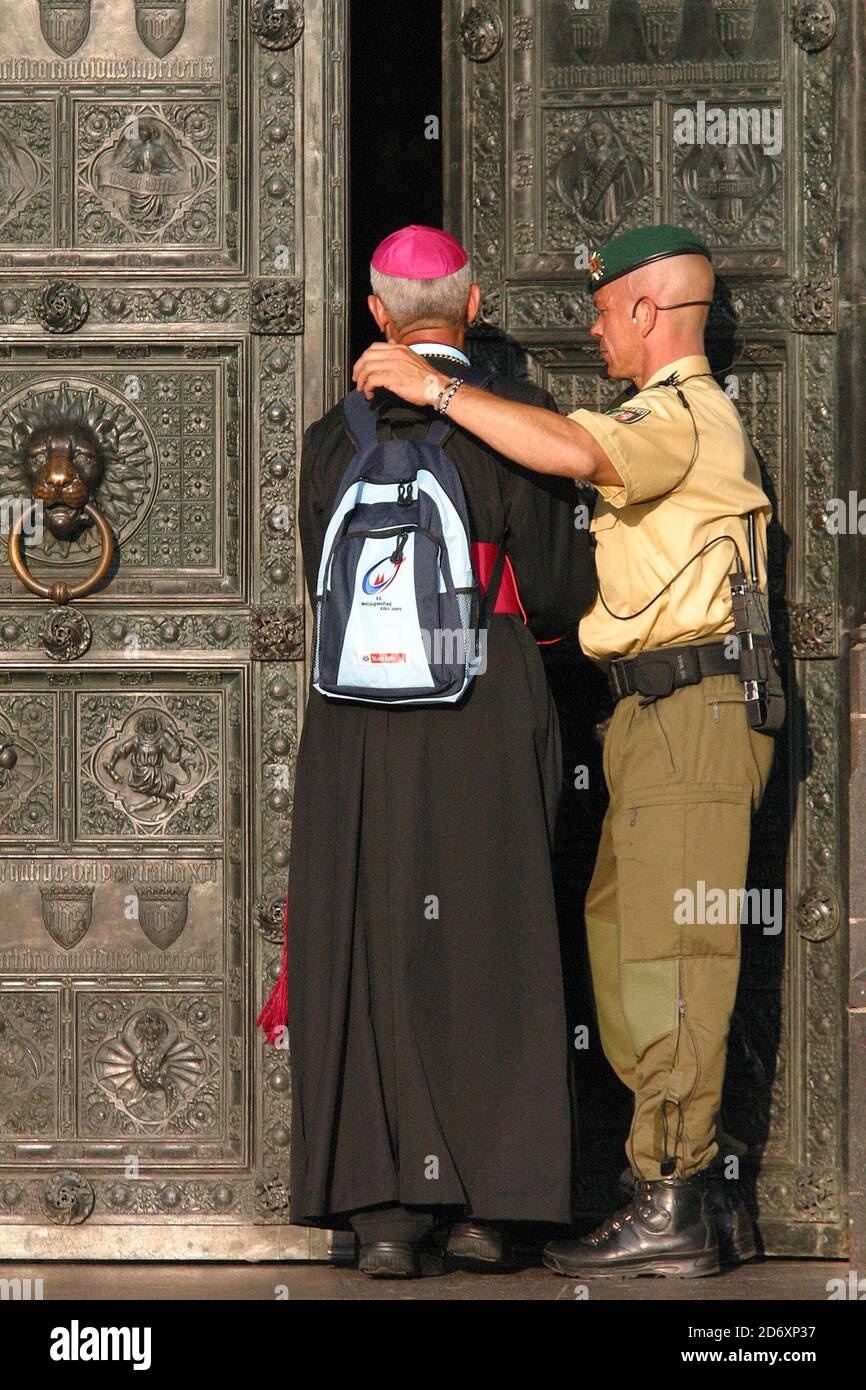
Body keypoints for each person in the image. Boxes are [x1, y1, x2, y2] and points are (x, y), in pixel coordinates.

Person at [353, 223, 779, 1279]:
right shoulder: (670, 416)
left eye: (601, 309)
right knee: (630, 947)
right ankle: (692, 1195)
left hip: (688, 713)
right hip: (648, 715)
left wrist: (436, 389)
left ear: (645, 311)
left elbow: (578, 453)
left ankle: (674, 1198)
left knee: (668, 961)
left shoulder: (675, 414)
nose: (590, 327)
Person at [269, 224, 595, 1278]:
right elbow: (555, 591)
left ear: (374, 314)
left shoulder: (330, 435)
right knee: (493, 933)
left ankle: (381, 1213)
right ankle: (491, 1205)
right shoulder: (514, 424)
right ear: (475, 303)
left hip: (354, 716)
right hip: (484, 695)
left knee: (366, 936)